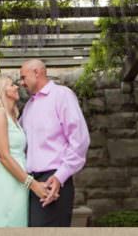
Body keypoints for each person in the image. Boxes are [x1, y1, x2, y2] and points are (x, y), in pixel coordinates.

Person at [18, 58, 90, 227]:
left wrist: (59, 176)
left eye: (23, 77)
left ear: (37, 72)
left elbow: (80, 140)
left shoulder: (62, 95)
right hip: (32, 184)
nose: (21, 83)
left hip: (54, 181)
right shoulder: (28, 106)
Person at [0, 75, 55, 227]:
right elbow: (4, 157)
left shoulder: (13, 118)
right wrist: (32, 184)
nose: (16, 86)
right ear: (2, 91)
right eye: (11, 85)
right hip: (9, 181)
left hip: (18, 180)